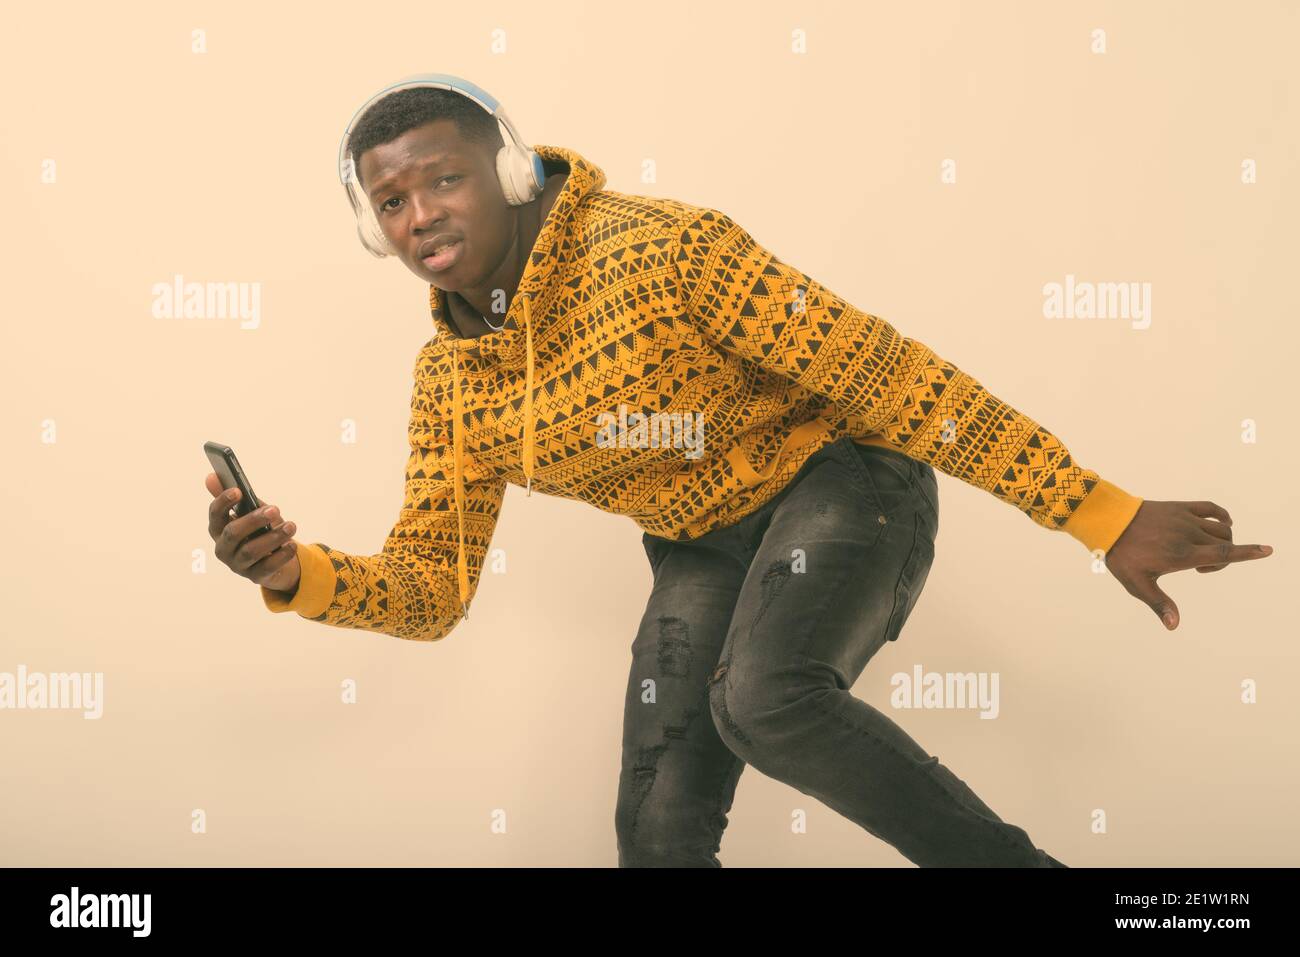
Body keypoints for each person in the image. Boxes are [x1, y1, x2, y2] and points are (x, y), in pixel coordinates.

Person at [204, 77, 1273, 867]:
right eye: (391, 203)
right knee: (658, 834)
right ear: (371, 228)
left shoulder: (665, 250)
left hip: (843, 481)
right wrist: (294, 576)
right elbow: (432, 587)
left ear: (510, 170)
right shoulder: (455, 385)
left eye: (443, 179)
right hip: (703, 545)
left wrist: (1099, 513)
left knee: (762, 701)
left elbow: (887, 374)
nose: (422, 214)